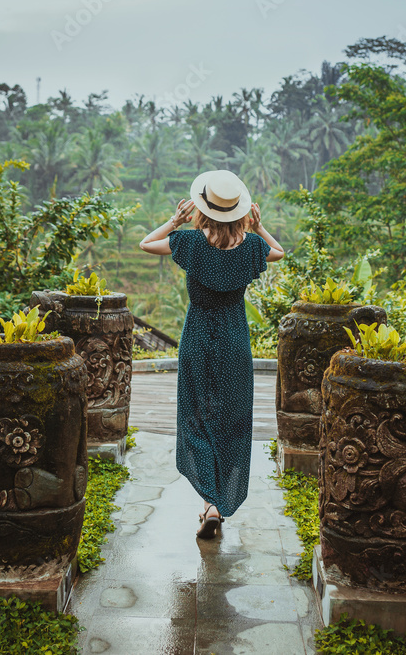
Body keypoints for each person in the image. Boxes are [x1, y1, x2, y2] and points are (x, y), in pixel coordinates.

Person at [139, 170, 285, 538]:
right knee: (232, 418)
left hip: (198, 338)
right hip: (236, 340)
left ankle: (209, 502)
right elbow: (279, 253)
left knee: (197, 418)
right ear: (239, 212)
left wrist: (174, 221)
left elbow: (146, 244)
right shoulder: (252, 247)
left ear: (204, 208)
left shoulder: (188, 244)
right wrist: (260, 226)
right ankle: (217, 503)